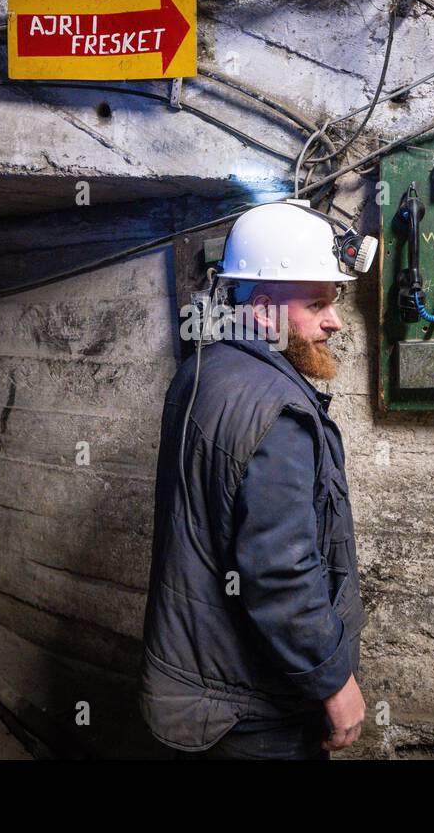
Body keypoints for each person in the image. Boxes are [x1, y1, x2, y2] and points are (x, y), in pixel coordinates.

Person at [138, 199, 367, 759]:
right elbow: (280, 572)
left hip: (196, 687)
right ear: (263, 310)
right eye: (316, 304)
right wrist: (335, 682)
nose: (333, 321)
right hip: (249, 710)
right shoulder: (278, 412)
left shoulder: (203, 370)